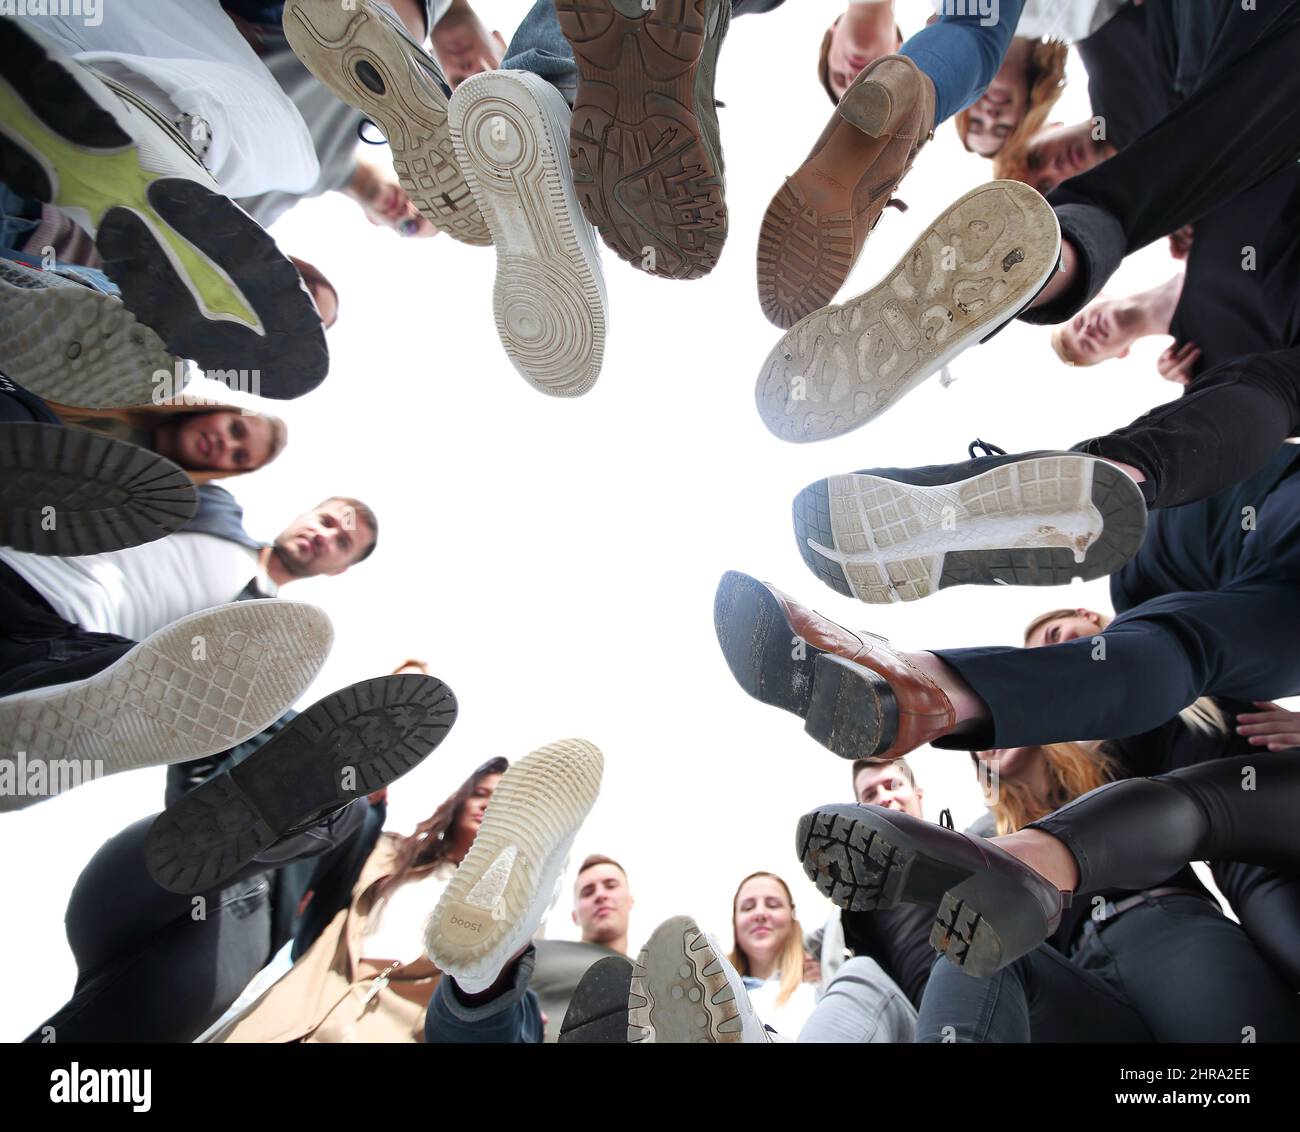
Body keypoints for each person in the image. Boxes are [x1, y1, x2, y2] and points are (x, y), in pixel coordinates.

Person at [715, 439, 1300, 760]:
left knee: (1163, 620)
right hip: (1263, 594)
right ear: (1092, 619)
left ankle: (919, 681)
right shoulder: (1171, 630)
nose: (1061, 640)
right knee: (1170, 639)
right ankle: (918, 687)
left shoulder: (1156, 606)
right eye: (1052, 641)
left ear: (1088, 615)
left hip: (1267, 525)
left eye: (1051, 635)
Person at [24, 669, 454, 1042]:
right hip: (180, 880)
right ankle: (284, 812)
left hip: (140, 901)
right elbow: (192, 770)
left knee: (117, 1019)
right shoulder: (266, 726)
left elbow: (324, 922)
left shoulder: (366, 822)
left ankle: (296, 817)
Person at [801, 729, 1300, 1041]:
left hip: (1166, 927)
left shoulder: (1111, 761)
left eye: (993, 725)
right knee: (969, 942)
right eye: (972, 742)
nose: (984, 740)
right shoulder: (988, 833)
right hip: (1079, 979)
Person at [0, 16, 330, 398]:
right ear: (282, 263)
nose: (273, 316)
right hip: (41, 196)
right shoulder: (259, 192)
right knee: (302, 166)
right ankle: (154, 137)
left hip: (25, 246)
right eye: (298, 295)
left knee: (149, 347)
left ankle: (150, 139)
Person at [530, 854, 634, 1042]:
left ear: (630, 900)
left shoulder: (654, 980)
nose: (601, 895)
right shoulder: (534, 953)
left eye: (611, 885)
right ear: (574, 915)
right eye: (588, 892)